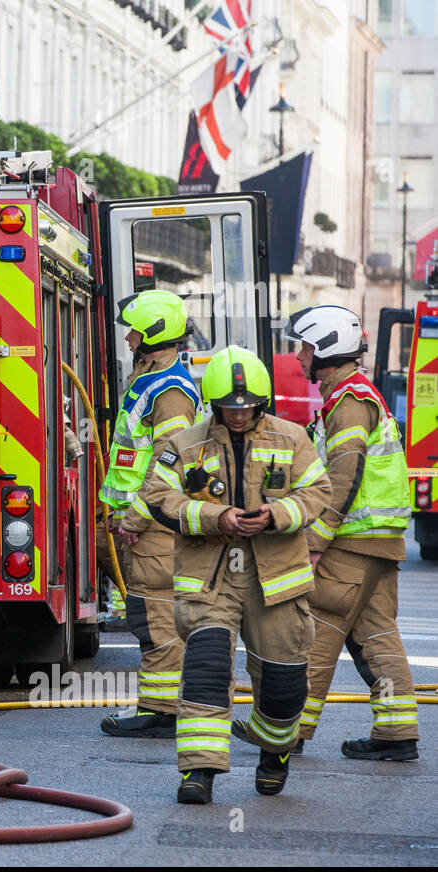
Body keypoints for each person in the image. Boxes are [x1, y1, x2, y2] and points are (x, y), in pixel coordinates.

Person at [141, 345, 331, 804]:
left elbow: (318, 492)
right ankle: (198, 772)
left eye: (246, 407)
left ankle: (275, 753)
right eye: (229, 407)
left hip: (277, 581)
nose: (239, 415)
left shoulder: (292, 439)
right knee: (206, 669)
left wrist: (275, 515)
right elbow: (158, 497)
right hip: (212, 577)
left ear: (261, 403)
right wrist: (216, 517)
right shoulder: (184, 444)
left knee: (284, 682)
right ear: (214, 403)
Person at [279, 305, 418, 760]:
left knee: (313, 631)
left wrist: (315, 541)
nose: (298, 357)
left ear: (325, 349)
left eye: (304, 347)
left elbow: (343, 475)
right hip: (379, 540)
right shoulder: (358, 395)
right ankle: (397, 733)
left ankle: (286, 732)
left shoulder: (349, 402)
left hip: (352, 543)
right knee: (377, 633)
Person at [97, 290, 202, 738]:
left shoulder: (171, 391)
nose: (127, 338)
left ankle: (161, 710)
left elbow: (167, 461)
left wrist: (136, 517)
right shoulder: (153, 378)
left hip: (153, 525)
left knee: (156, 613)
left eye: (134, 331)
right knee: (147, 610)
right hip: (140, 521)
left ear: (154, 333)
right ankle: (160, 705)